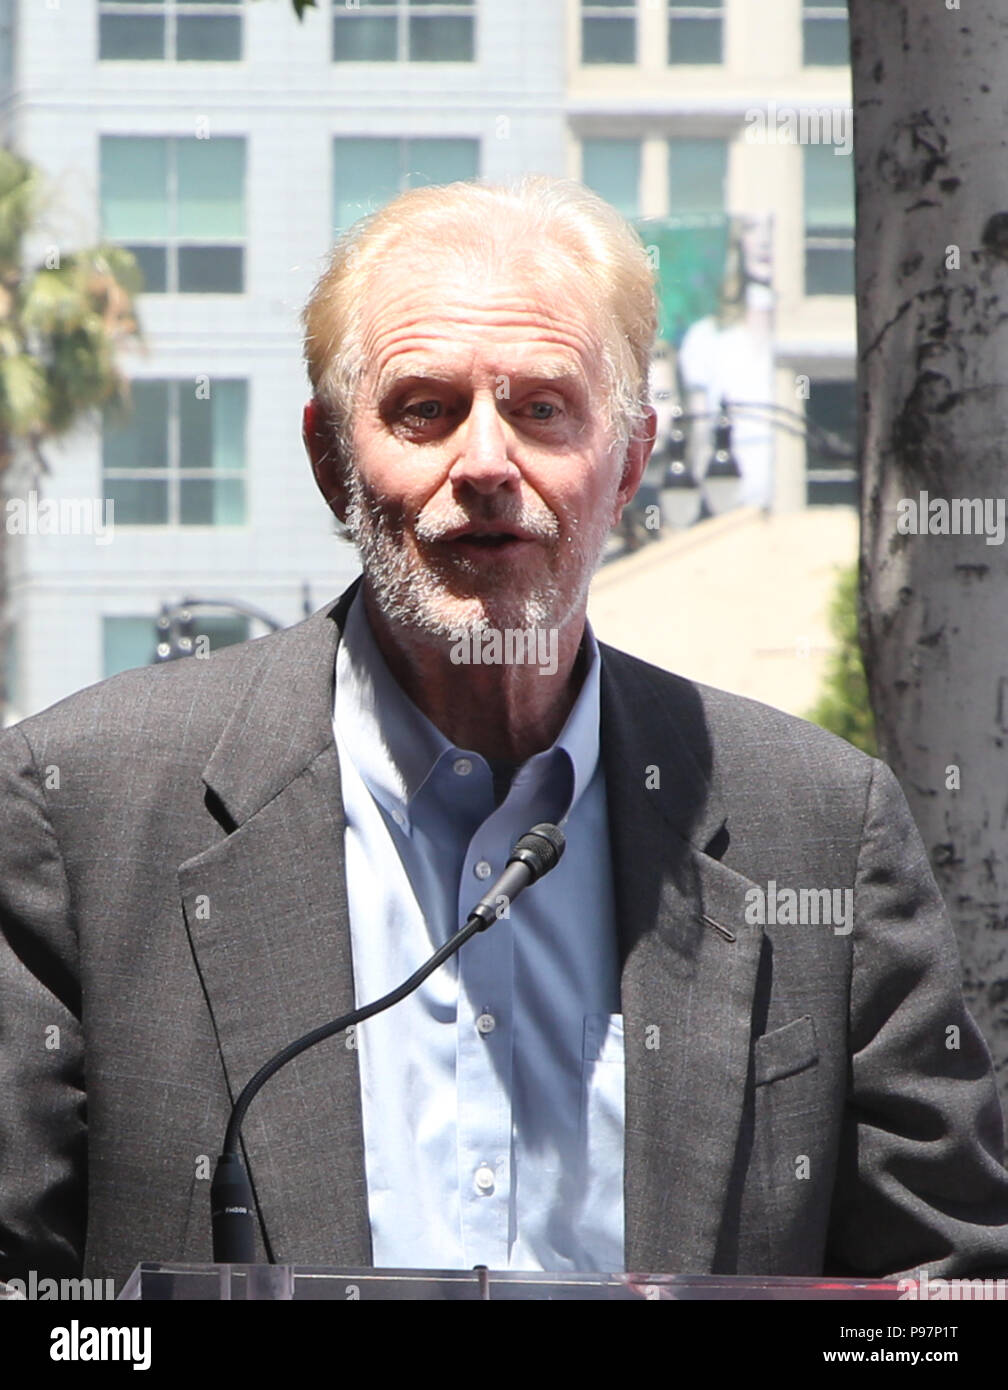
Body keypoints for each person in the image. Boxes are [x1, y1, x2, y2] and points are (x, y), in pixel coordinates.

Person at [2, 175, 1008, 1293]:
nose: (485, 465)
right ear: (332, 458)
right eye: (425, 408)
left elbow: (949, 1284)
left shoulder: (820, 827)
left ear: (628, 462)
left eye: (541, 409)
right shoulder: (79, 808)